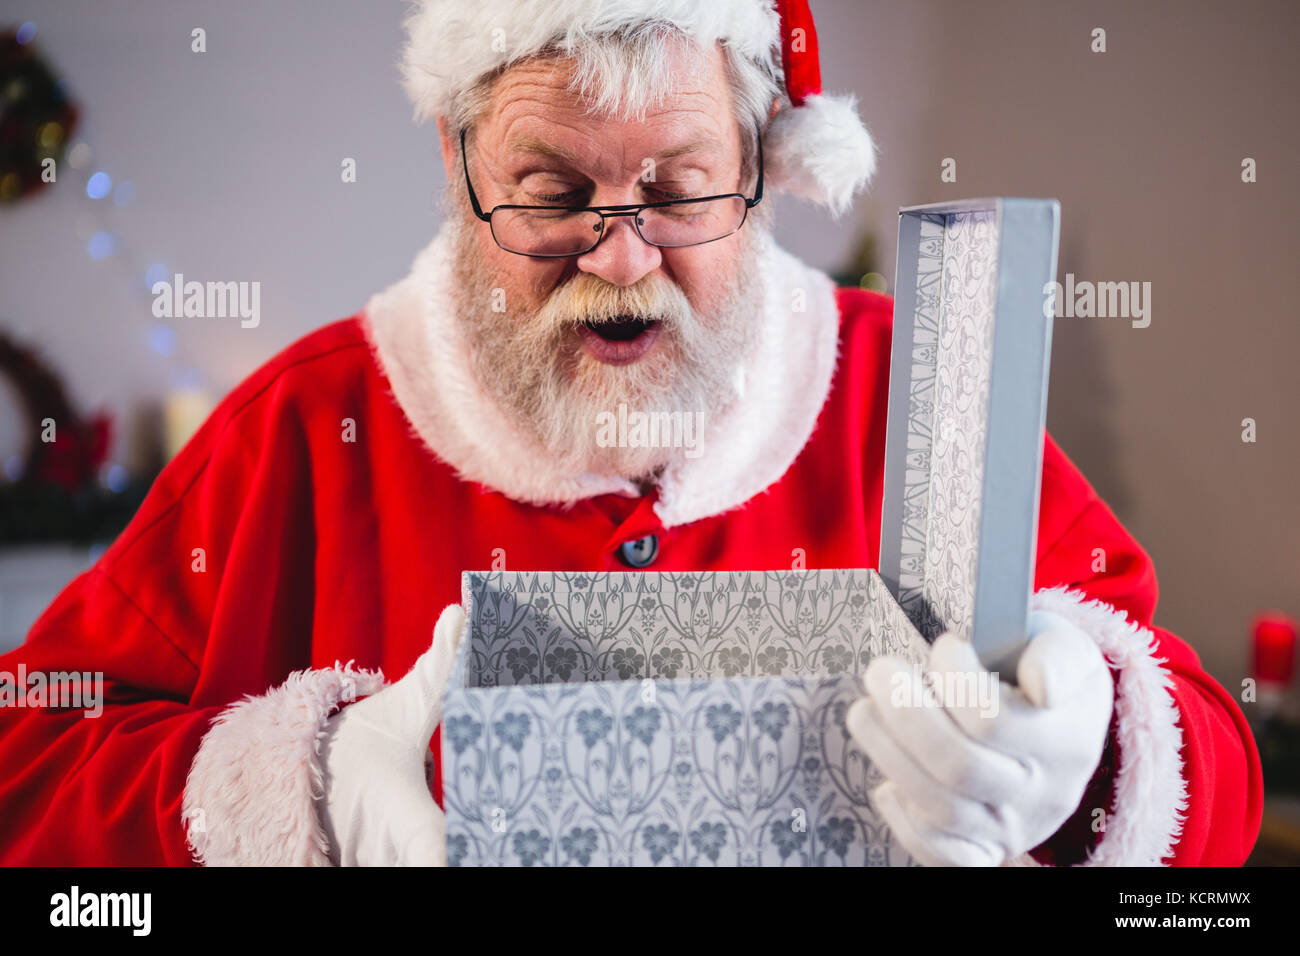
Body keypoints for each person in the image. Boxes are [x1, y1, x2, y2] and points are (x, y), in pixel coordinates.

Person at [0, 0, 1261, 866]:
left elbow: (1216, 784)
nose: (618, 256)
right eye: (552, 193)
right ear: (456, 166)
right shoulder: (300, 425)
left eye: (677, 188)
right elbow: (27, 768)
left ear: (764, 166)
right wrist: (305, 790)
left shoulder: (911, 388)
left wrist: (1093, 748)